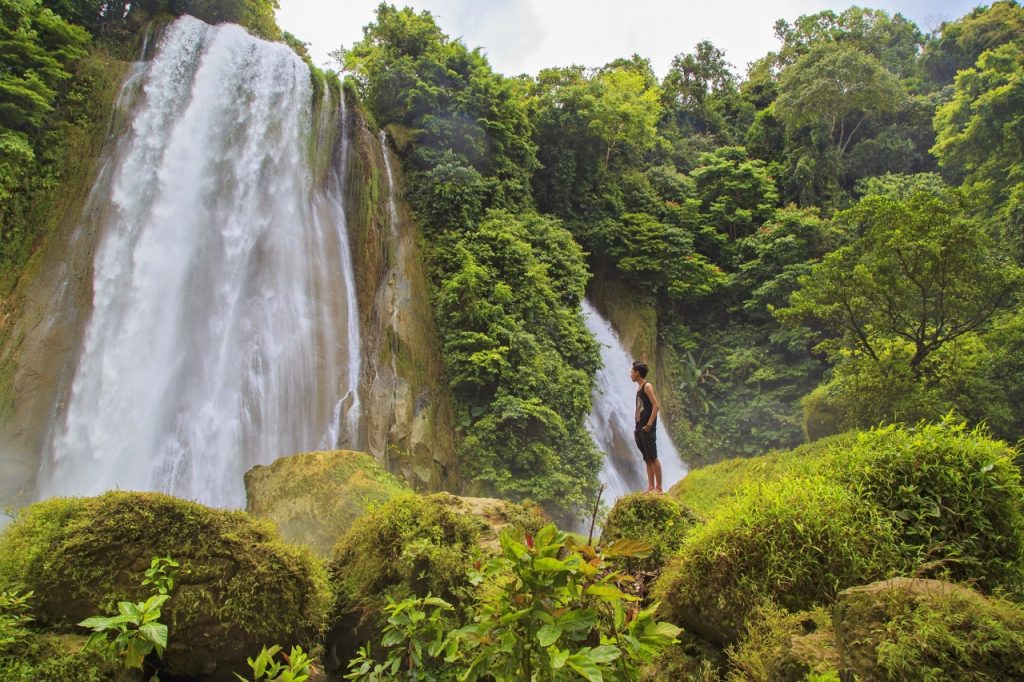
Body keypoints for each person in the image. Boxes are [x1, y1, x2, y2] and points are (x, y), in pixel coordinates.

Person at [630, 360, 662, 493]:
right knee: (647, 458)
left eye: (632, 372)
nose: (630, 374)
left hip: (647, 428)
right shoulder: (639, 388)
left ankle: (659, 488)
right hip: (640, 428)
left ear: (637, 373)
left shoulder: (647, 386)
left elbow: (656, 405)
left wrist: (649, 425)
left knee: (653, 457)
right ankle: (650, 486)